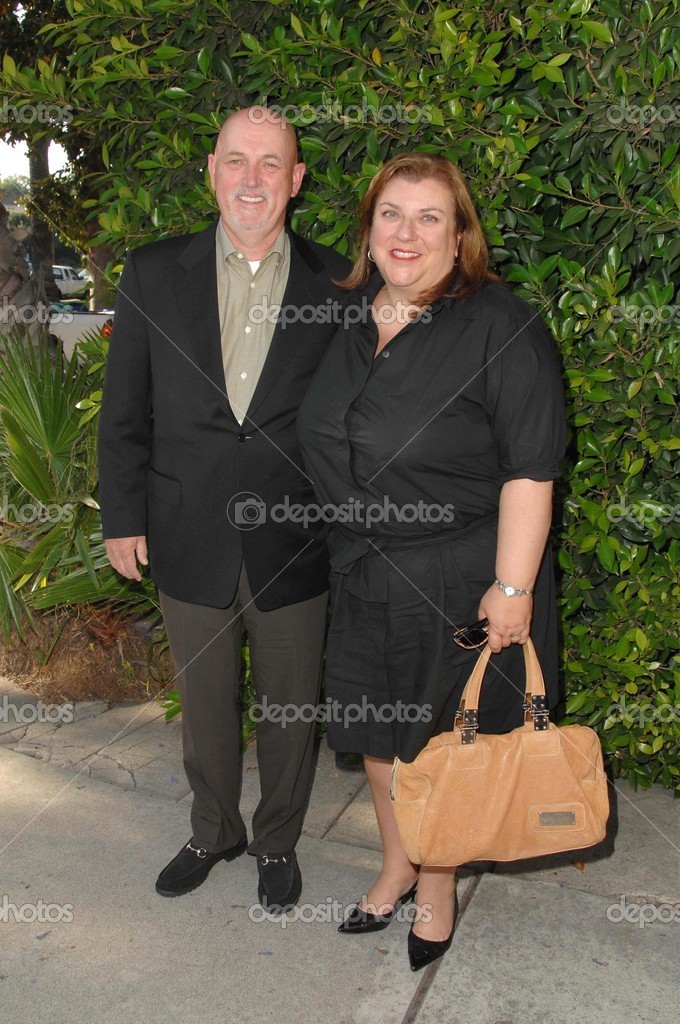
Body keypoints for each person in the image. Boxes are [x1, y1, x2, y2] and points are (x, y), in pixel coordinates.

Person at [297, 153, 566, 969]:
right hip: (363, 570)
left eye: (428, 218)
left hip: (458, 578)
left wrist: (512, 588)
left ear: (460, 236)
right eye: (390, 214)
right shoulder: (347, 318)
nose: (405, 233)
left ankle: (438, 889)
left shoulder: (502, 325)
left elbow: (531, 469)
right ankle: (396, 864)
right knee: (380, 738)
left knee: (440, 745)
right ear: (369, 229)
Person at [98, 107, 350, 915]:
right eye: (237, 161)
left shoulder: (338, 280)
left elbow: (356, 418)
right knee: (203, 704)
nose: (252, 179)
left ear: (296, 180)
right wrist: (122, 517)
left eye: (270, 164)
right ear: (211, 169)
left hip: (295, 537)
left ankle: (277, 840)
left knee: (289, 707)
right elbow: (123, 411)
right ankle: (214, 831)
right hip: (185, 526)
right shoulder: (150, 272)